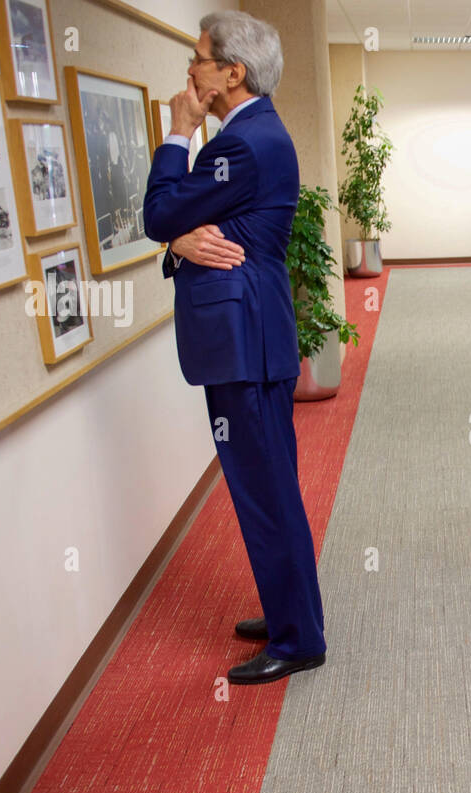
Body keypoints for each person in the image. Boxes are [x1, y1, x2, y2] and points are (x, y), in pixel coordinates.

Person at [143, 11, 327, 685]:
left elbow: (158, 211)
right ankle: (292, 612)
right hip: (251, 337)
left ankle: (298, 637)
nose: (189, 71)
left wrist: (177, 133)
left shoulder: (238, 145)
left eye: (197, 58)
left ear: (232, 71)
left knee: (265, 492)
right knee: (269, 487)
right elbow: (183, 227)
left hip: (245, 345)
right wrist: (180, 241)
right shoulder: (253, 137)